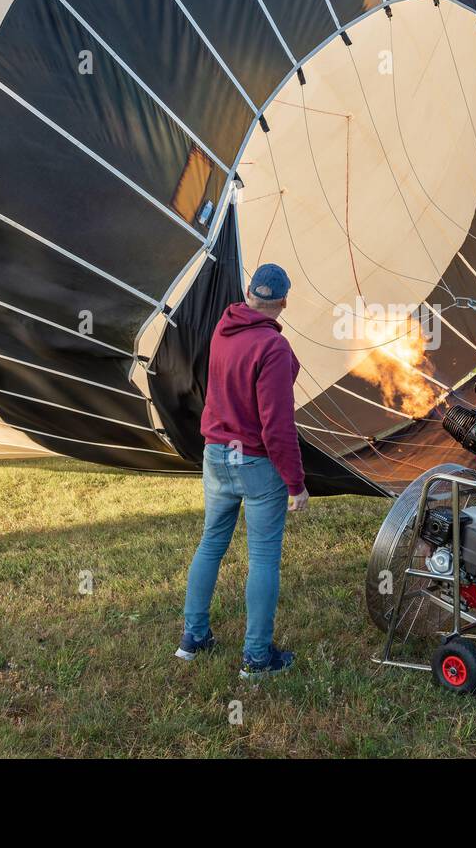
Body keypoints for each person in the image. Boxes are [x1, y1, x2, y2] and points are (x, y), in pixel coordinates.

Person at [178, 263, 309, 679]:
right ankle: (256, 658)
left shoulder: (223, 328)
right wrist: (296, 484)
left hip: (217, 453)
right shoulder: (273, 349)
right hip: (255, 462)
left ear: (249, 294)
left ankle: (193, 638)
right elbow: (277, 426)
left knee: (211, 544)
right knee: (264, 559)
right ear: (283, 303)